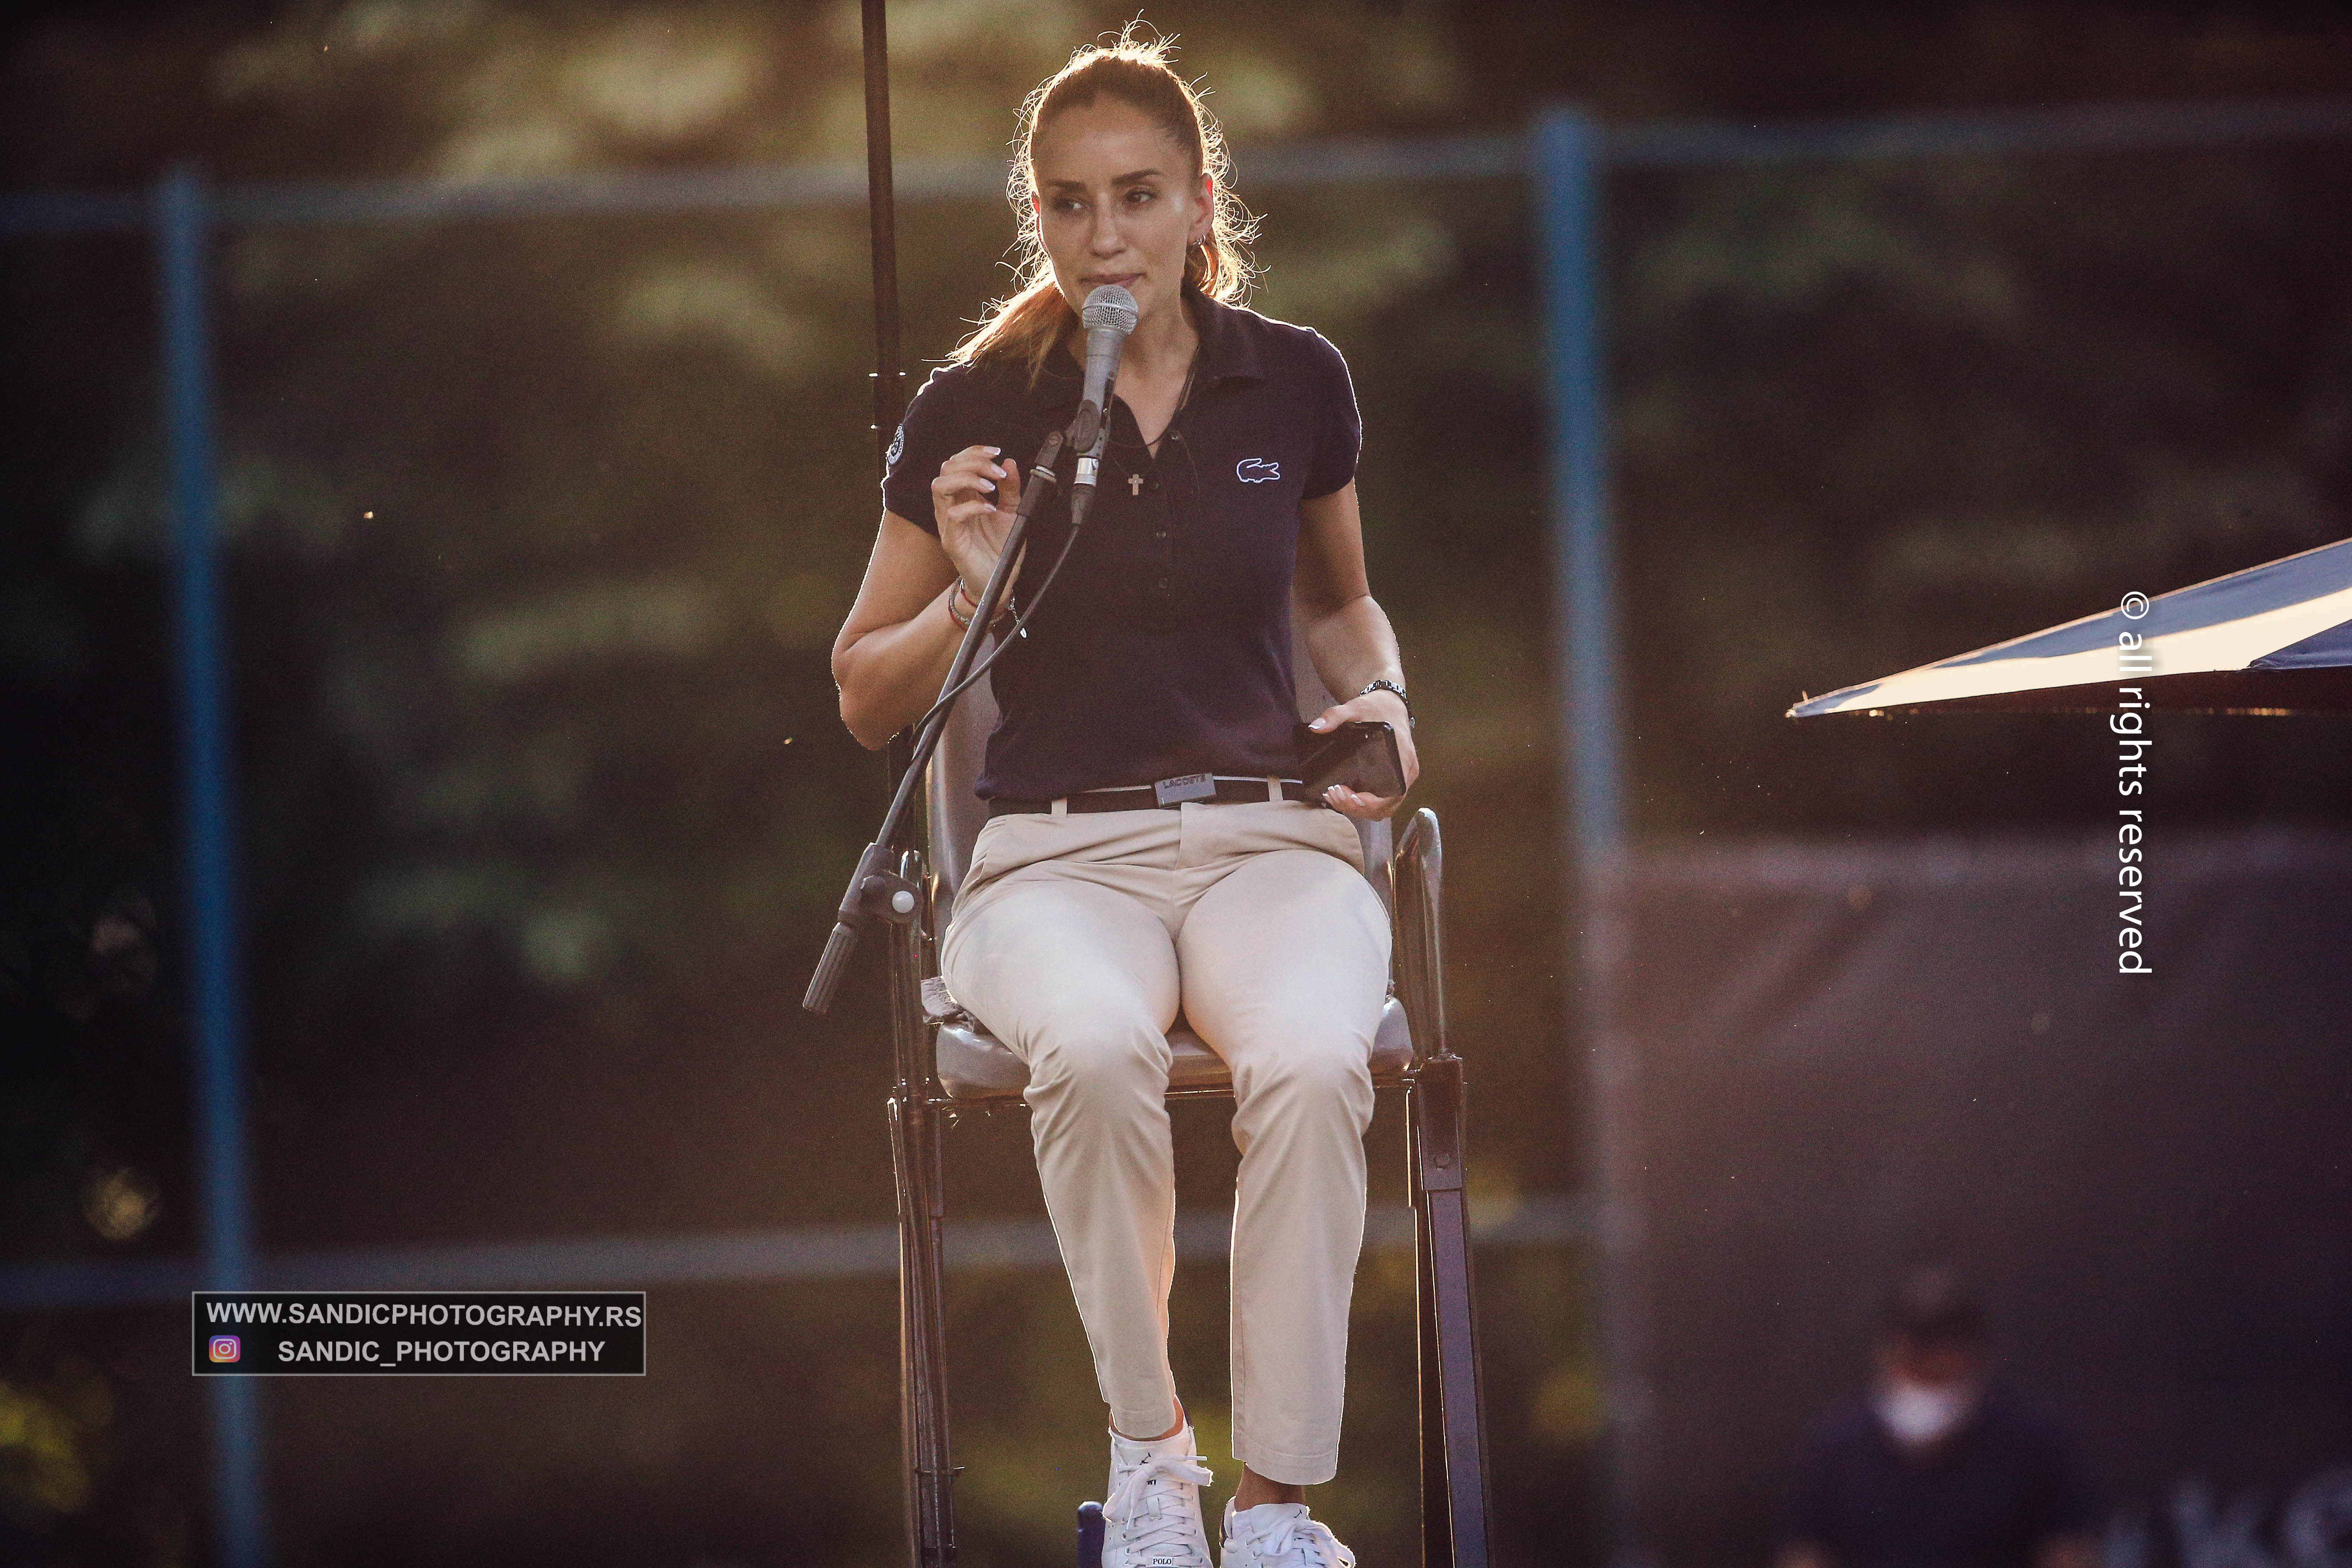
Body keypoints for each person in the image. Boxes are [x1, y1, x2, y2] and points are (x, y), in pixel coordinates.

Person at [828, 29, 1416, 1568]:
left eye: (1138, 197)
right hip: (1049, 861)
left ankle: (1280, 1509)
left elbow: (1342, 610)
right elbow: (860, 693)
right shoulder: (977, 405)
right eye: (1071, 204)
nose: (1105, 236)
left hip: (1268, 842)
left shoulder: (1294, 379)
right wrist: (971, 593)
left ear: (1197, 199)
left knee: (1306, 1053)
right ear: (1039, 217)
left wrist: (1383, 705)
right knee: (1088, 1049)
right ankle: (1155, 1467)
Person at [1777, 1266, 2102, 1568]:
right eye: (1915, 1349)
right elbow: (1805, 1553)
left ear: (1974, 1353)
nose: (1930, 1363)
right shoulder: (1838, 1444)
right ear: (1886, 1349)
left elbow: (2068, 1549)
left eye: (1944, 1349)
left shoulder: (2034, 1442)